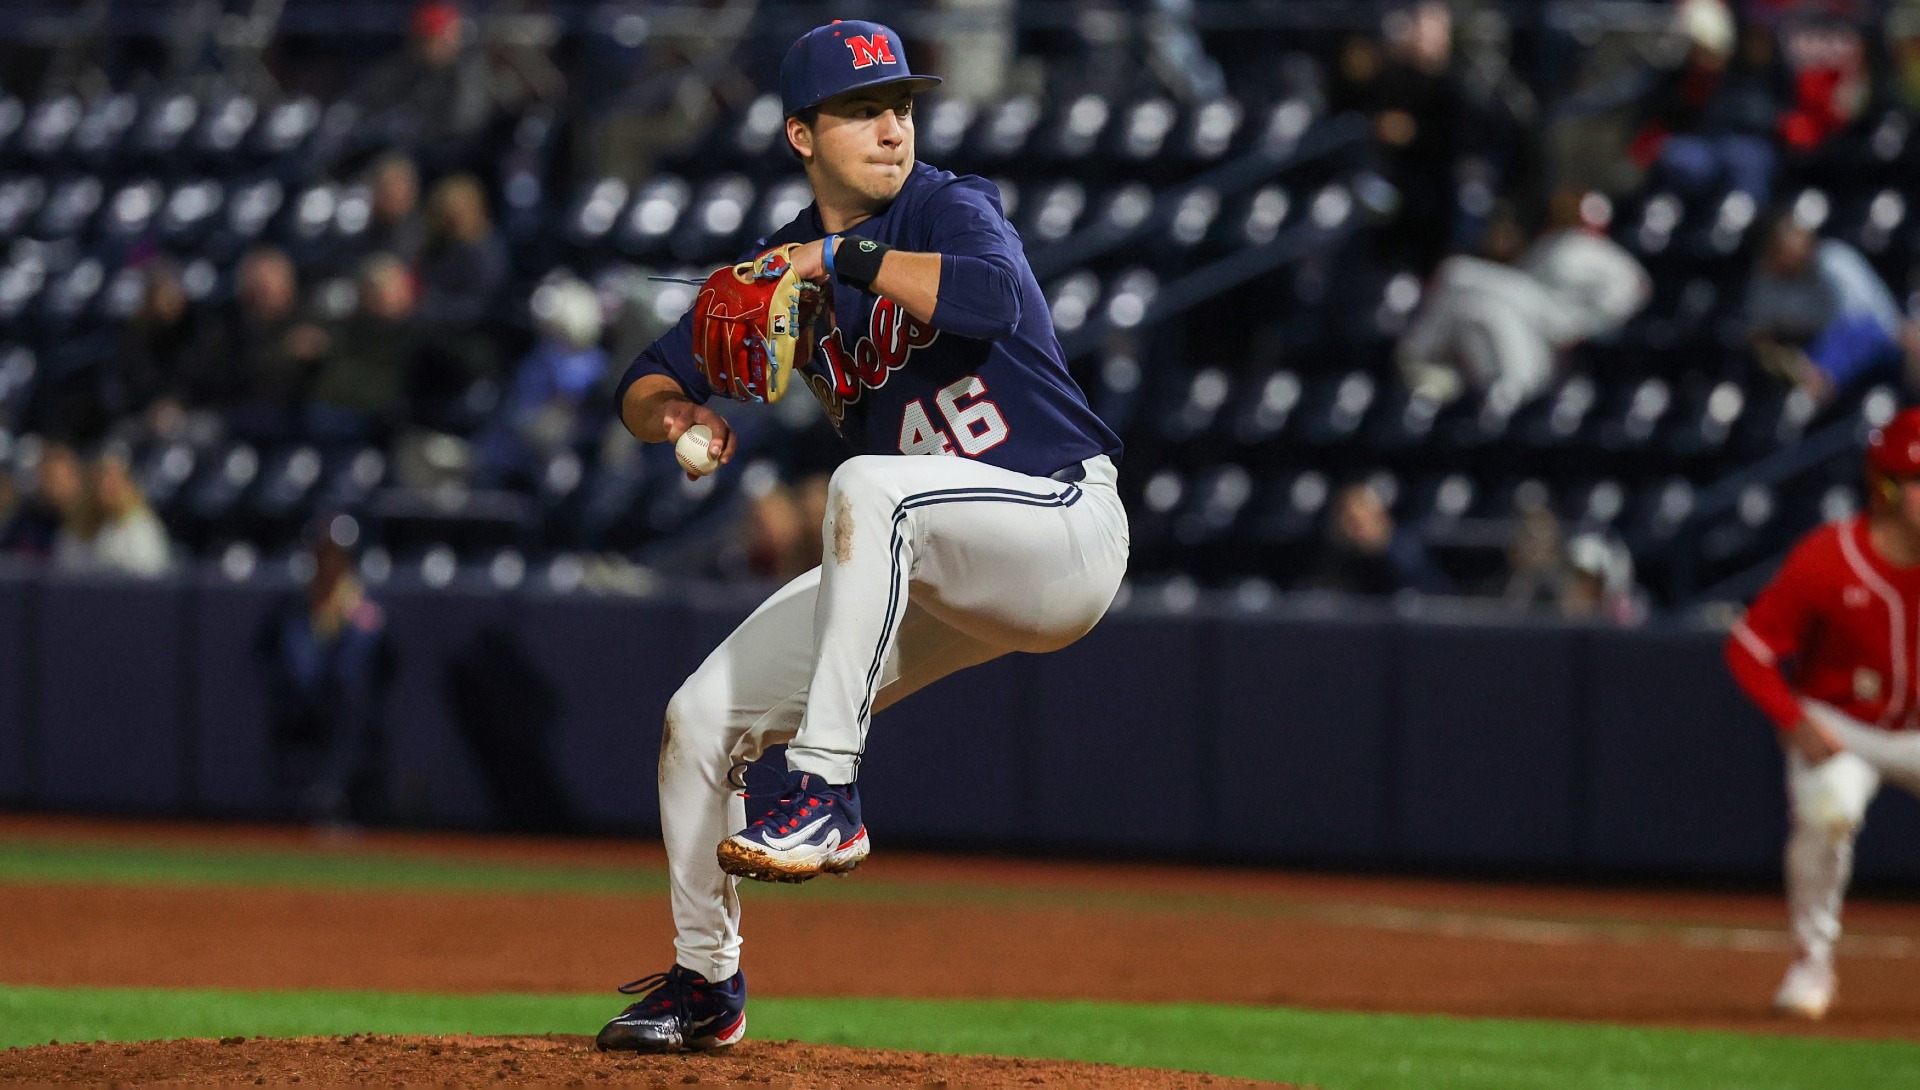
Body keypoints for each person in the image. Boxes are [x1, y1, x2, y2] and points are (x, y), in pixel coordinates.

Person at [595, 21, 1130, 1055]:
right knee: (699, 718)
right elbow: (645, 375)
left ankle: (827, 788)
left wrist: (838, 255)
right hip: (928, 568)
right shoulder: (786, 266)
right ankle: (708, 984)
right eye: (862, 110)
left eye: (902, 106)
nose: (893, 128)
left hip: (1059, 525)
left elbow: (986, 295)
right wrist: (679, 418)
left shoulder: (948, 205)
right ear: (801, 132)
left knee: (865, 487)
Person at [1724, 408, 1920, 1021]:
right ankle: (1812, 963)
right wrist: (1791, 717)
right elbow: (1749, 647)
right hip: (1845, 728)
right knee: (1826, 810)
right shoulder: (1828, 558)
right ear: (1886, 488)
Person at [254, 519, 396, 827]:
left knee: (351, 706)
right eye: (323, 554)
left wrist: (352, 619)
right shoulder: (293, 605)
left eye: (336, 555)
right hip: (299, 702)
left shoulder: (364, 609)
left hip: (345, 710)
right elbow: (265, 654)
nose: (329, 562)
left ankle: (330, 794)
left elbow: (385, 667)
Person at [1745, 214, 1915, 405]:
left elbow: (1876, 325)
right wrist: (1786, 362)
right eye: (1782, 246)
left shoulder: (1833, 259)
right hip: (1812, 357)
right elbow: (1759, 338)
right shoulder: (1765, 284)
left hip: (1875, 347)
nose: (1795, 247)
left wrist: (1825, 366)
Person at [1308, 480, 1450, 596]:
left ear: (1381, 517)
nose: (1358, 529)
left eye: (1363, 520)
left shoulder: (1407, 552)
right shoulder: (1337, 558)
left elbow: (1434, 593)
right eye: (1351, 521)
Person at [85, 450, 171, 578]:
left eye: (113, 485)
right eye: (101, 484)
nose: (105, 492)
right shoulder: (103, 526)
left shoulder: (141, 529)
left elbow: (148, 582)